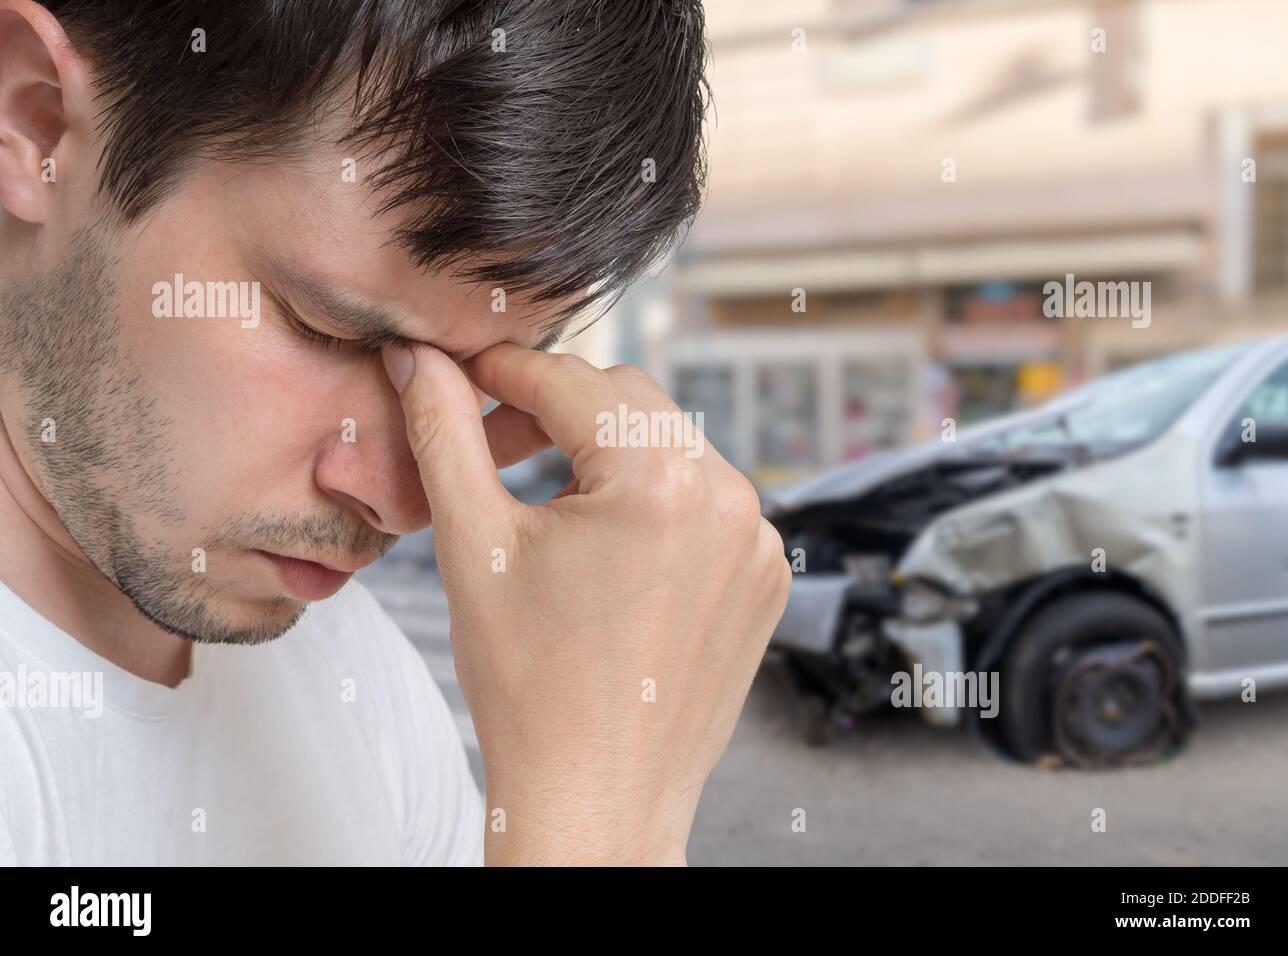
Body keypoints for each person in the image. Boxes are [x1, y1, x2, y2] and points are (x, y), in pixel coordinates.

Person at [0, 0, 791, 865]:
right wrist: (600, 821)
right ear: (36, 122)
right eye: (327, 330)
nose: (406, 501)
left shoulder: (355, 672)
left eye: (478, 380)